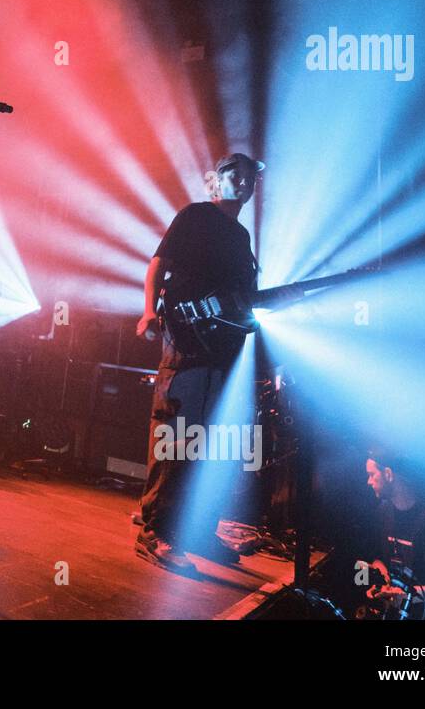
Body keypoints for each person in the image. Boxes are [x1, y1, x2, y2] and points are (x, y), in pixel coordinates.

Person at [133, 152, 262, 573]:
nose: (244, 182)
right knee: (176, 431)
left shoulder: (241, 238)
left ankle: (198, 529)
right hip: (186, 338)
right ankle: (155, 530)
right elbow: (158, 265)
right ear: (216, 182)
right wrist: (150, 311)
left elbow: (245, 298)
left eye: (249, 178)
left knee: (211, 441)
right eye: (235, 175)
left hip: (222, 346)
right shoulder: (195, 217)